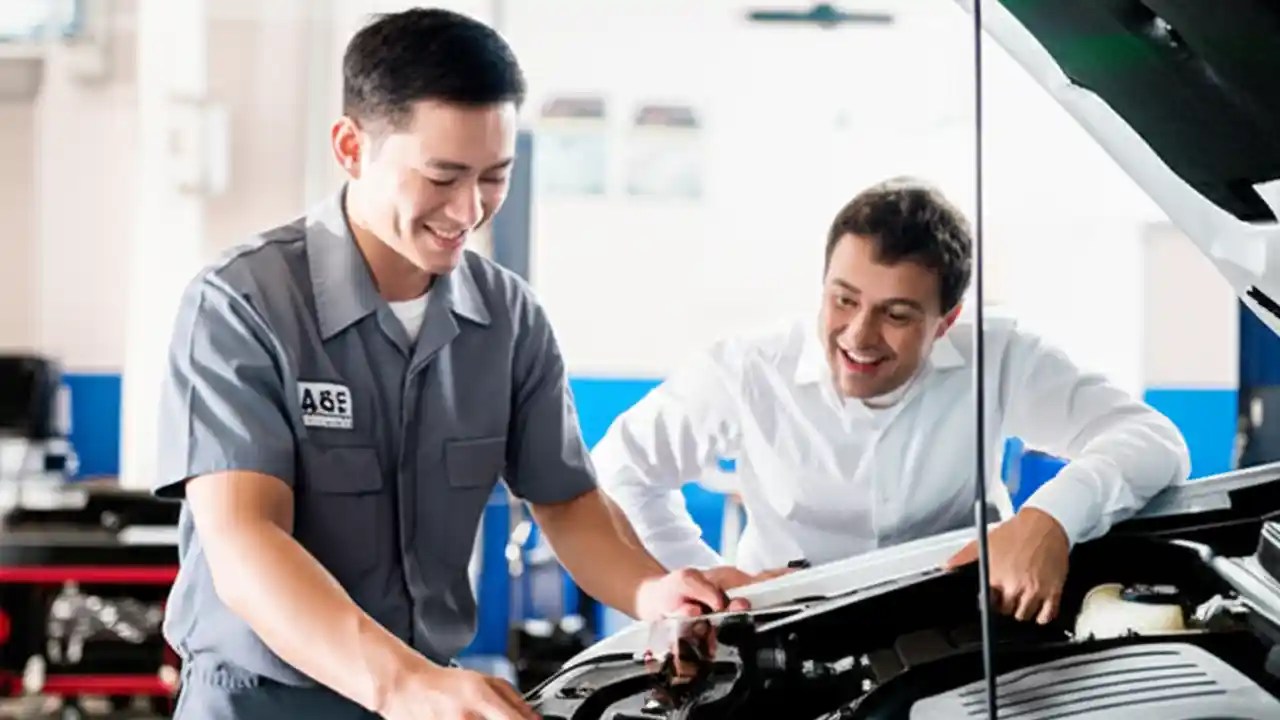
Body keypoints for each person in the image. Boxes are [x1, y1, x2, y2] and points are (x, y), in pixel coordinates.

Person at [153, 9, 746, 720]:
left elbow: (567, 501)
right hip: (262, 702)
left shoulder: (508, 319)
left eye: (495, 176)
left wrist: (652, 593)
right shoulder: (243, 304)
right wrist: (405, 685)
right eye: (442, 176)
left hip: (426, 695)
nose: (469, 210)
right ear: (350, 146)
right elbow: (246, 542)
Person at [593, 177, 1192, 626]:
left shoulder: (1000, 357)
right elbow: (619, 470)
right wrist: (701, 588)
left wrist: (1050, 519)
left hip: (958, 624)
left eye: (897, 314)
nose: (858, 335)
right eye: (843, 300)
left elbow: (1155, 442)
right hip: (784, 629)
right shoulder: (748, 370)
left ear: (945, 320)